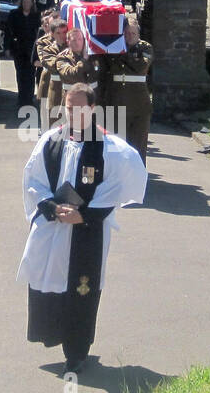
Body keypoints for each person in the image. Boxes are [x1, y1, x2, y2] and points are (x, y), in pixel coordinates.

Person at [19, 82, 148, 374]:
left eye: (79, 107)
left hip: (86, 232)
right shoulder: (51, 140)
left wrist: (86, 215)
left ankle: (77, 350)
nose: (72, 112)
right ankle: (53, 334)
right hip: (53, 229)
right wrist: (51, 207)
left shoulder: (107, 147)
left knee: (81, 286)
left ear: (92, 109)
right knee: (49, 279)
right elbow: (33, 180)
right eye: (68, 106)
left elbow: (115, 187)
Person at [100, 20, 153, 165]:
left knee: (138, 144)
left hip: (138, 104)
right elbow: (106, 69)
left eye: (133, 33)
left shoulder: (145, 47)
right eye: (126, 33)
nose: (129, 36)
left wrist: (122, 54)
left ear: (138, 35)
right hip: (116, 99)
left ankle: (137, 175)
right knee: (115, 144)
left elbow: (140, 65)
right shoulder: (112, 48)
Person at [6, 0, 40, 109]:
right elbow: (8, 32)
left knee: (30, 75)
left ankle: (29, 98)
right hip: (18, 49)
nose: (27, 5)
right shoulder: (14, 14)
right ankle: (21, 98)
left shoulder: (36, 16)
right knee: (20, 74)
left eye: (29, 3)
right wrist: (7, 48)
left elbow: (38, 34)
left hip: (31, 50)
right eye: (25, 3)